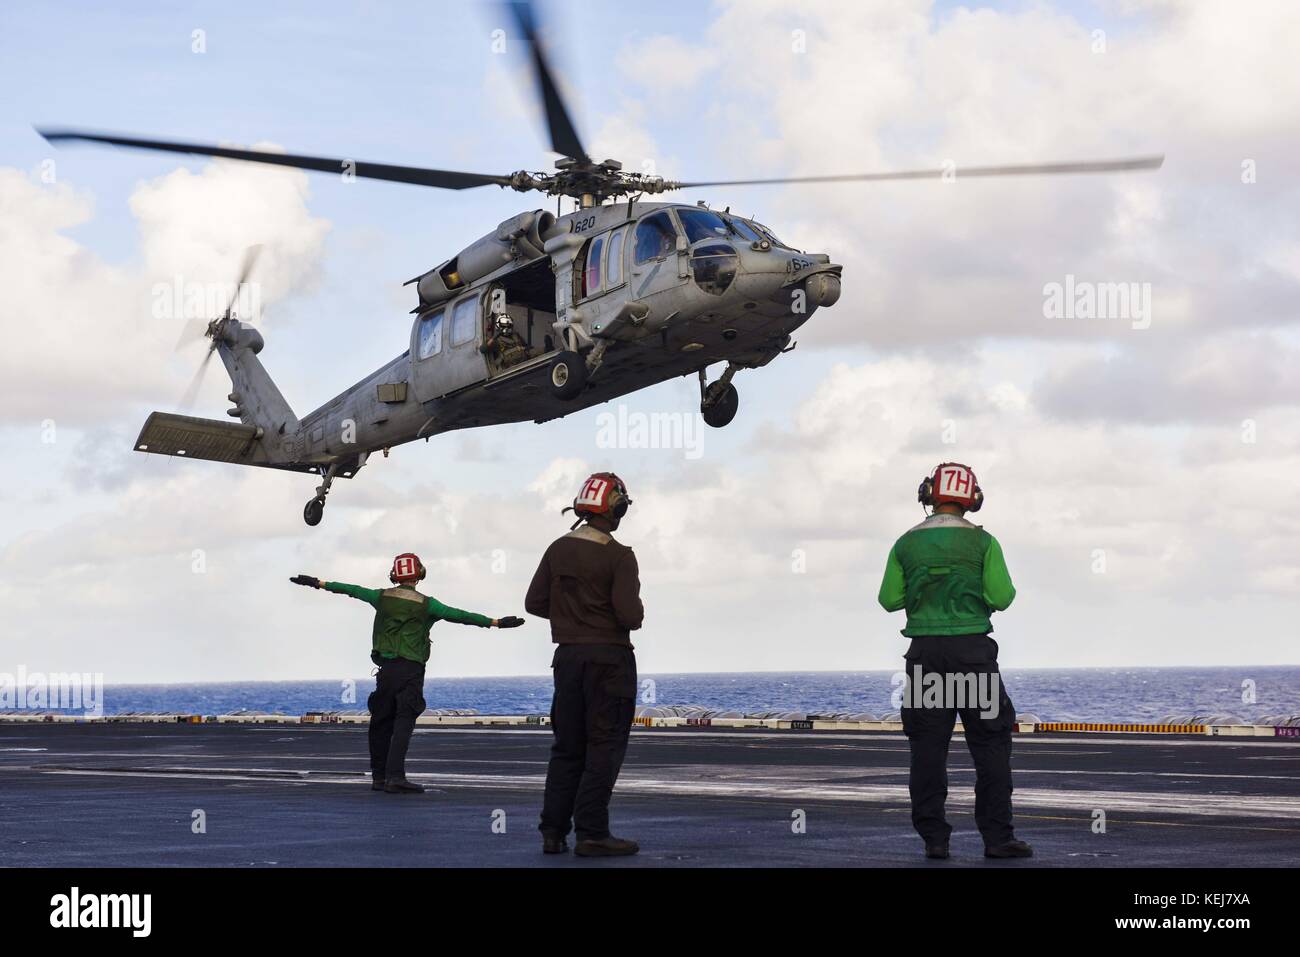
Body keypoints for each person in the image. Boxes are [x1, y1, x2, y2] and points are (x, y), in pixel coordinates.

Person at [877, 463, 1032, 860]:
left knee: (928, 749)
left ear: (928, 494)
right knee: (991, 746)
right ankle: (997, 838)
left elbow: (889, 600)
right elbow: (1002, 598)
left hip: (926, 658)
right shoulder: (984, 543)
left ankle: (935, 839)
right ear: (972, 499)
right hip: (972, 656)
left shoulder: (905, 543)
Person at [291, 554, 523, 793]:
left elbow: (350, 589)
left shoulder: (380, 597)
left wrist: (316, 582)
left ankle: (379, 778)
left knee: (380, 722)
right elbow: (460, 616)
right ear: (419, 574)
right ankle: (396, 777)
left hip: (386, 671)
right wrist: (496, 622)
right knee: (404, 721)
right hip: (411, 670)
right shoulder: (427, 604)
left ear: (394, 575)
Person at [526, 472, 644, 857]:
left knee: (567, 748)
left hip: (568, 659)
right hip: (609, 661)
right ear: (617, 508)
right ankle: (592, 832)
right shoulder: (620, 555)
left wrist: (570, 618)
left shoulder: (557, 548)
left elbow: (534, 603)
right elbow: (630, 616)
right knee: (603, 748)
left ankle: (553, 832)